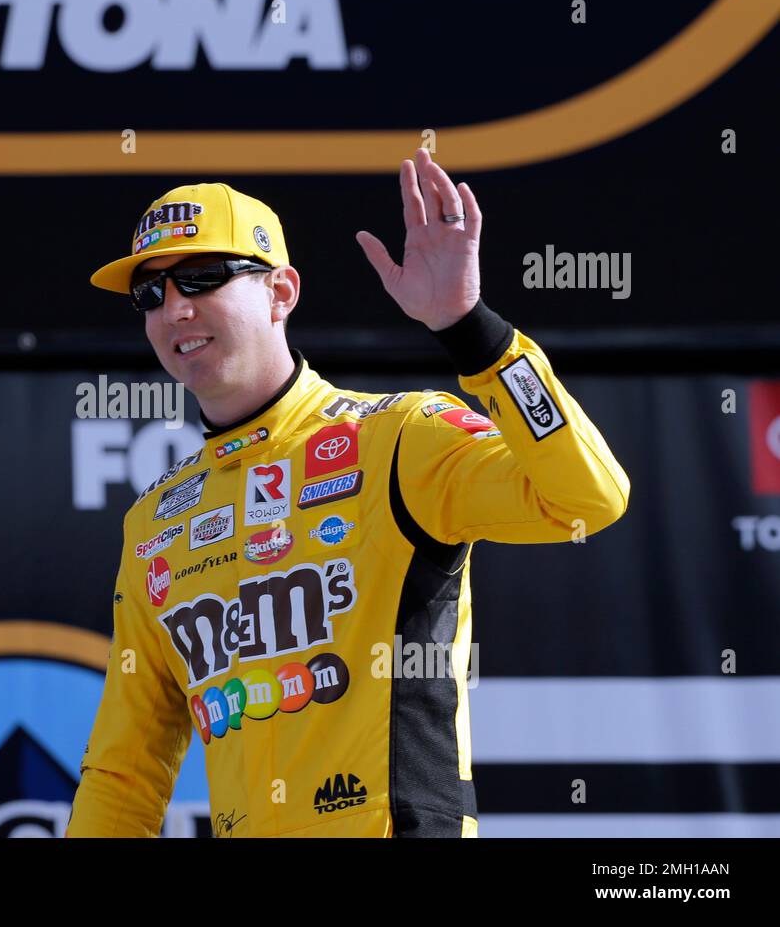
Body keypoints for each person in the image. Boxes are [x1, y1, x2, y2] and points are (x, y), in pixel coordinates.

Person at [66, 149, 630, 838]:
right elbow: (125, 772)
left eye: (202, 278)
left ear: (282, 292)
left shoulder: (399, 437)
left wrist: (472, 333)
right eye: (150, 294)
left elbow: (588, 498)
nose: (174, 309)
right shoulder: (153, 524)